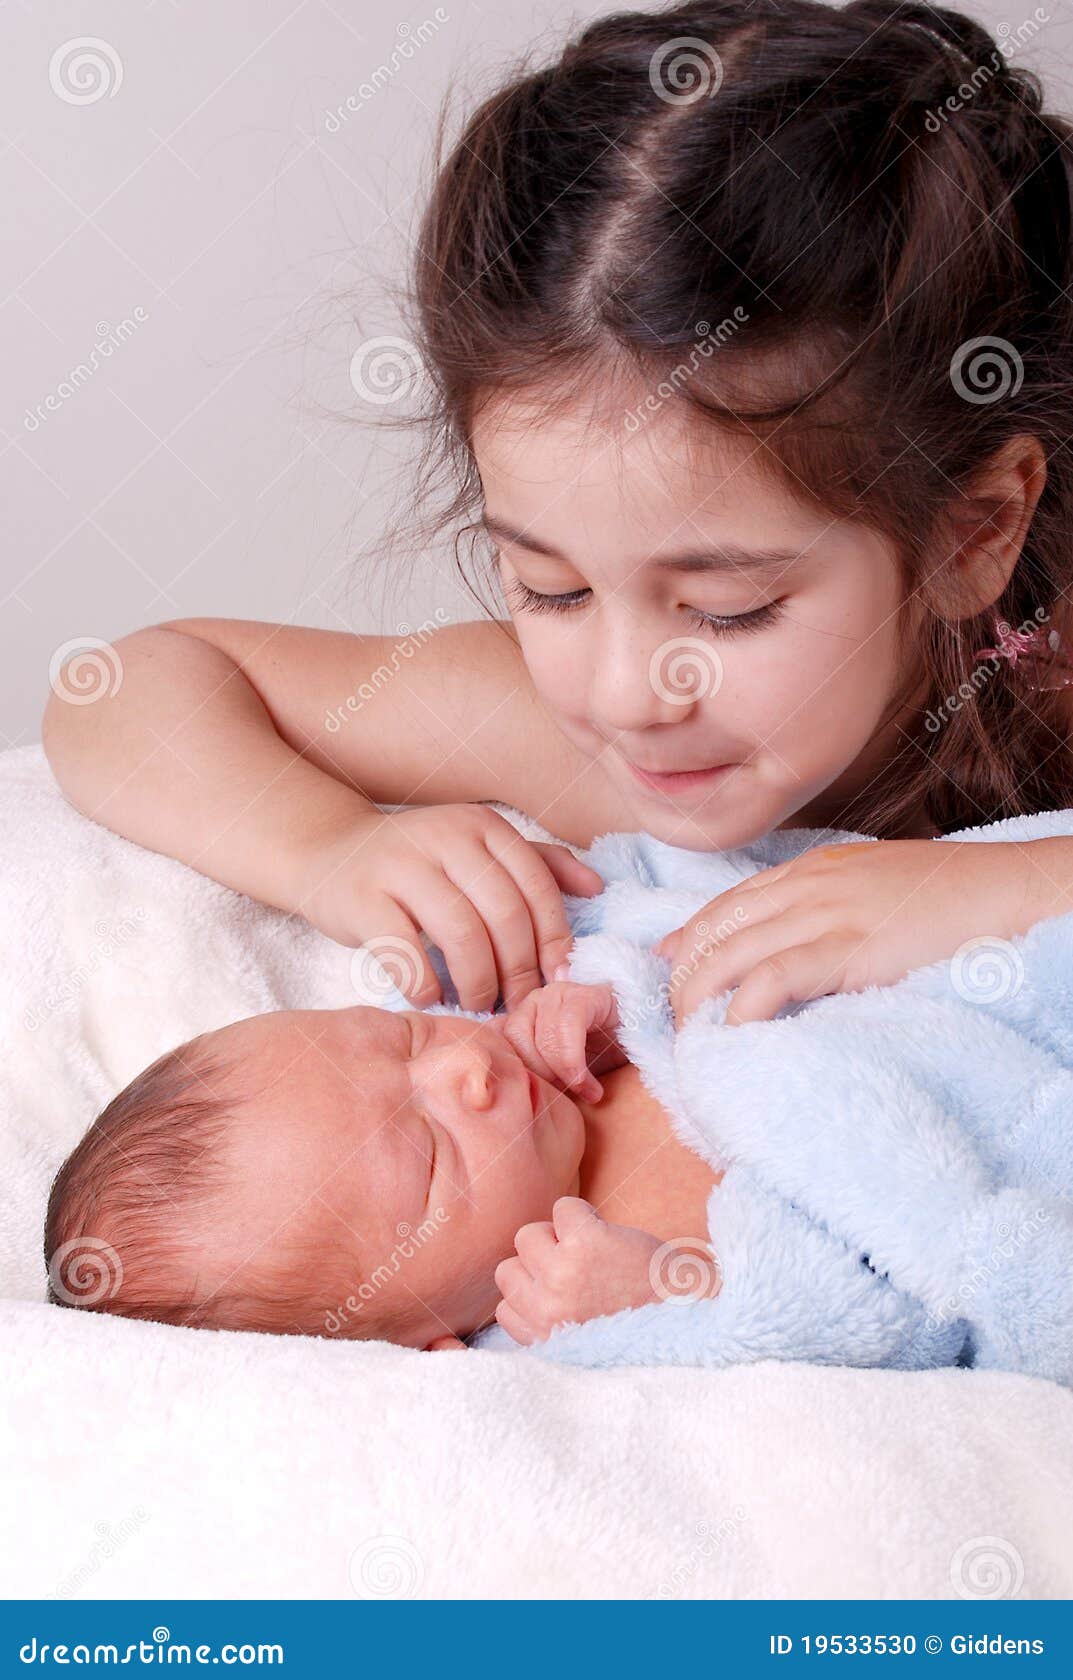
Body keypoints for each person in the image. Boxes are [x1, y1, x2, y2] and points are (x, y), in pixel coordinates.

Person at [42, 2, 1073, 1031]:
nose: (628, 695)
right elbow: (118, 690)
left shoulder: (1043, 686)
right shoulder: (555, 735)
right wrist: (328, 846)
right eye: (553, 589)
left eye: (726, 607)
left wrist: (997, 887)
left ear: (970, 535)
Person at [43, 983, 722, 1350]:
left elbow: (716, 925)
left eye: (403, 1037)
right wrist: (664, 1304)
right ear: (428, 1345)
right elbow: (802, 1330)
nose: (468, 1066)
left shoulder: (543, 1038)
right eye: (431, 1153)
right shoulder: (571, 1324)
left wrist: (633, 998)